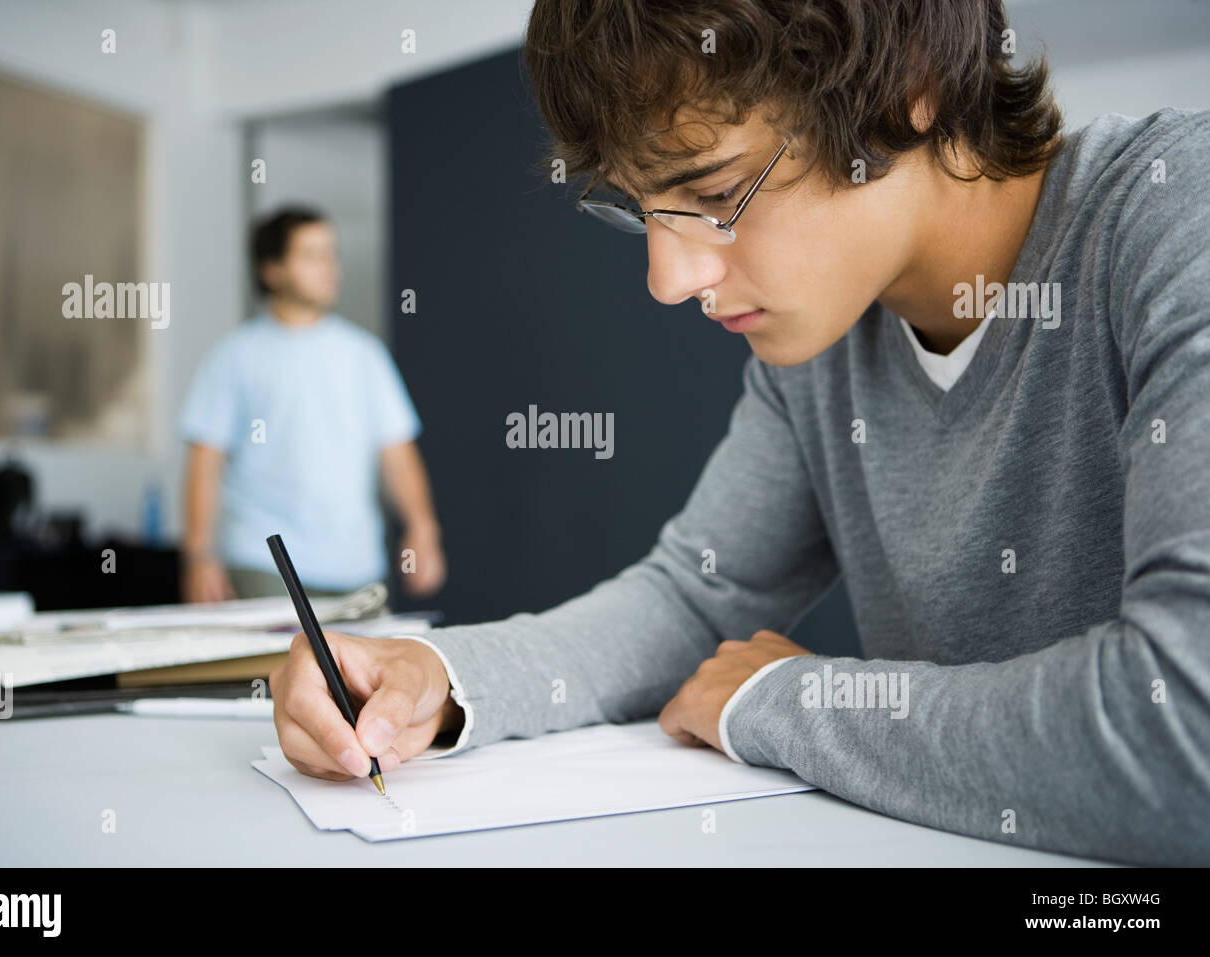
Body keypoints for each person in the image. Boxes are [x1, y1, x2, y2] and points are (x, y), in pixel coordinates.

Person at [269, 0, 1210, 865]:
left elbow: (1186, 729)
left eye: (715, 191)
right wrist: (435, 673)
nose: (668, 280)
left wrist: (789, 700)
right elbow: (695, 597)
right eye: (640, 210)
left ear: (911, 86)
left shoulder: (1177, 218)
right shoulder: (831, 342)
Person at [179, 206, 445, 601]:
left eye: (331, 254)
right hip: (264, 562)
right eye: (311, 256)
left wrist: (422, 528)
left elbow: (395, 451)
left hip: (356, 566)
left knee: (356, 665)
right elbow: (206, 458)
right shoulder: (234, 356)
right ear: (272, 269)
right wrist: (199, 555)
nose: (330, 267)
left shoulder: (365, 354)